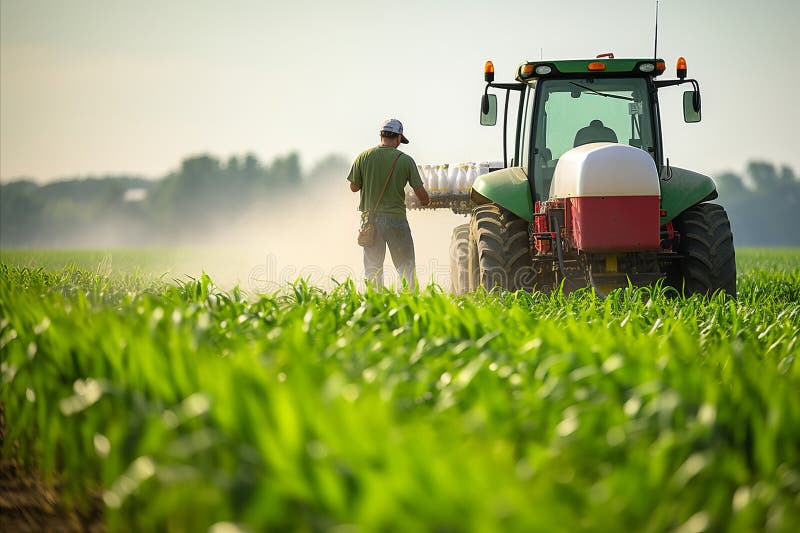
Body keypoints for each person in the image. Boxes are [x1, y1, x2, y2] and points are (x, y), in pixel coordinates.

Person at [347, 118, 430, 288]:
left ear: (381, 136)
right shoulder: (405, 160)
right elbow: (421, 193)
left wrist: (370, 178)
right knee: (405, 268)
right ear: (398, 138)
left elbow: (354, 187)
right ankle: (409, 303)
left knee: (373, 269)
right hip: (396, 220)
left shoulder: (363, 157)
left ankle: (376, 305)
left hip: (370, 222)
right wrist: (426, 201)